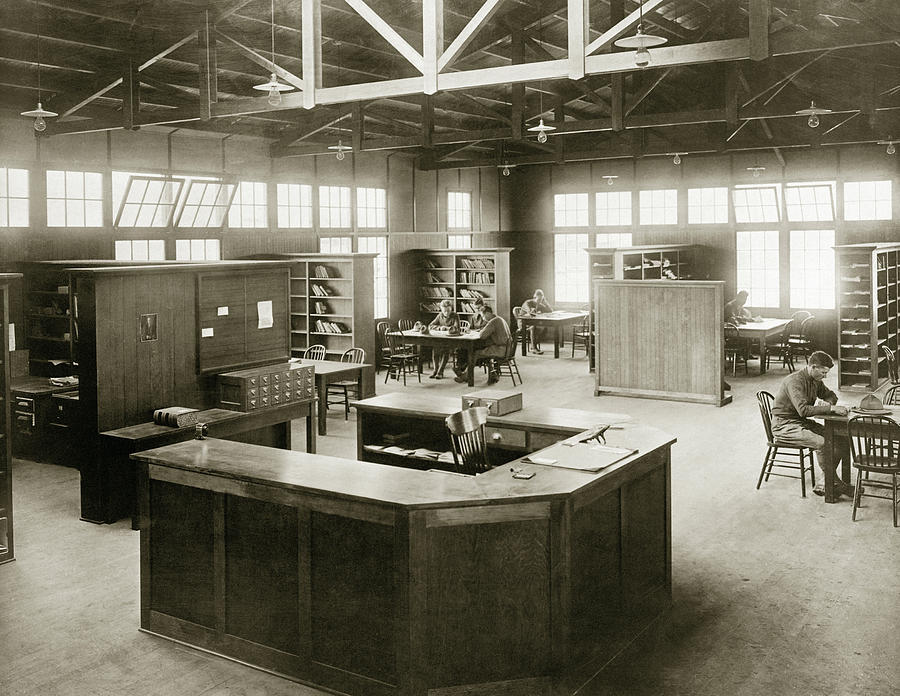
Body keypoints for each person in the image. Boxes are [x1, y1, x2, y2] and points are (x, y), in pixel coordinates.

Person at [771, 350, 854, 498]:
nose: (825, 376)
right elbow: (803, 410)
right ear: (813, 367)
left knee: (841, 437)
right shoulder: (794, 381)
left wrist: (828, 402)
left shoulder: (815, 380)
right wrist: (831, 408)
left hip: (800, 422)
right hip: (783, 425)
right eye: (823, 373)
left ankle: (824, 482)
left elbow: (830, 395)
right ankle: (835, 484)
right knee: (822, 443)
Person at [454, 304, 511, 384]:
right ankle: (492, 374)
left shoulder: (493, 321)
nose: (483, 318)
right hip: (507, 349)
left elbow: (482, 335)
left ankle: (467, 375)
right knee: (483, 350)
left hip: (500, 350)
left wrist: (480, 331)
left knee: (475, 353)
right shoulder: (499, 319)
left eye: (482, 315)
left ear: (487, 313)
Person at [427, 298, 459, 379]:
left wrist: (448, 329)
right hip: (440, 339)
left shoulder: (455, 315)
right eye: (444, 311)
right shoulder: (440, 315)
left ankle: (440, 372)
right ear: (441, 309)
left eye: (448, 310)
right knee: (435, 351)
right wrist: (439, 328)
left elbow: (457, 328)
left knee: (446, 351)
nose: (446, 313)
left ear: (451, 308)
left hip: (452, 340)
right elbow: (430, 325)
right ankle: (435, 370)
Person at [520, 289, 553, 354]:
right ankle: (534, 348)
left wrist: (545, 302)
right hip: (523, 323)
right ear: (534, 297)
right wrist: (534, 311)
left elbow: (550, 310)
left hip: (533, 322)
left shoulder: (539, 304)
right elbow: (530, 312)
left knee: (544, 328)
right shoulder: (528, 303)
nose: (539, 301)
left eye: (541, 300)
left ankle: (534, 345)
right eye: (538, 299)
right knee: (533, 327)